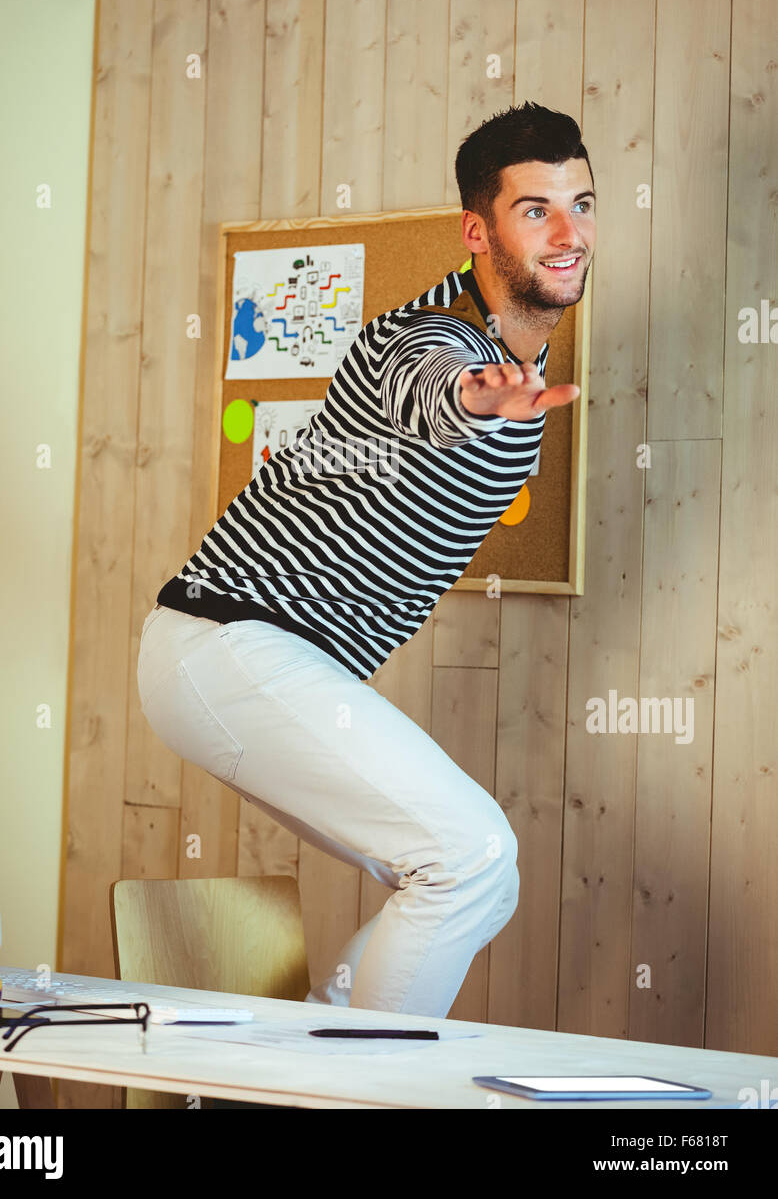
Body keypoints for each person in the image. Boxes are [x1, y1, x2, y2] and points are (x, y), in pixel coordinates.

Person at [137, 101, 595, 1017]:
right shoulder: (425, 339)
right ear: (478, 230)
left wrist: (499, 395)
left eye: (581, 204)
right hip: (228, 641)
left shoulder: (520, 370)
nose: (568, 232)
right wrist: (475, 399)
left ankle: (304, 1056)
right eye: (535, 209)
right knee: (471, 855)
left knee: (470, 878)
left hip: (254, 661)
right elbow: (429, 387)